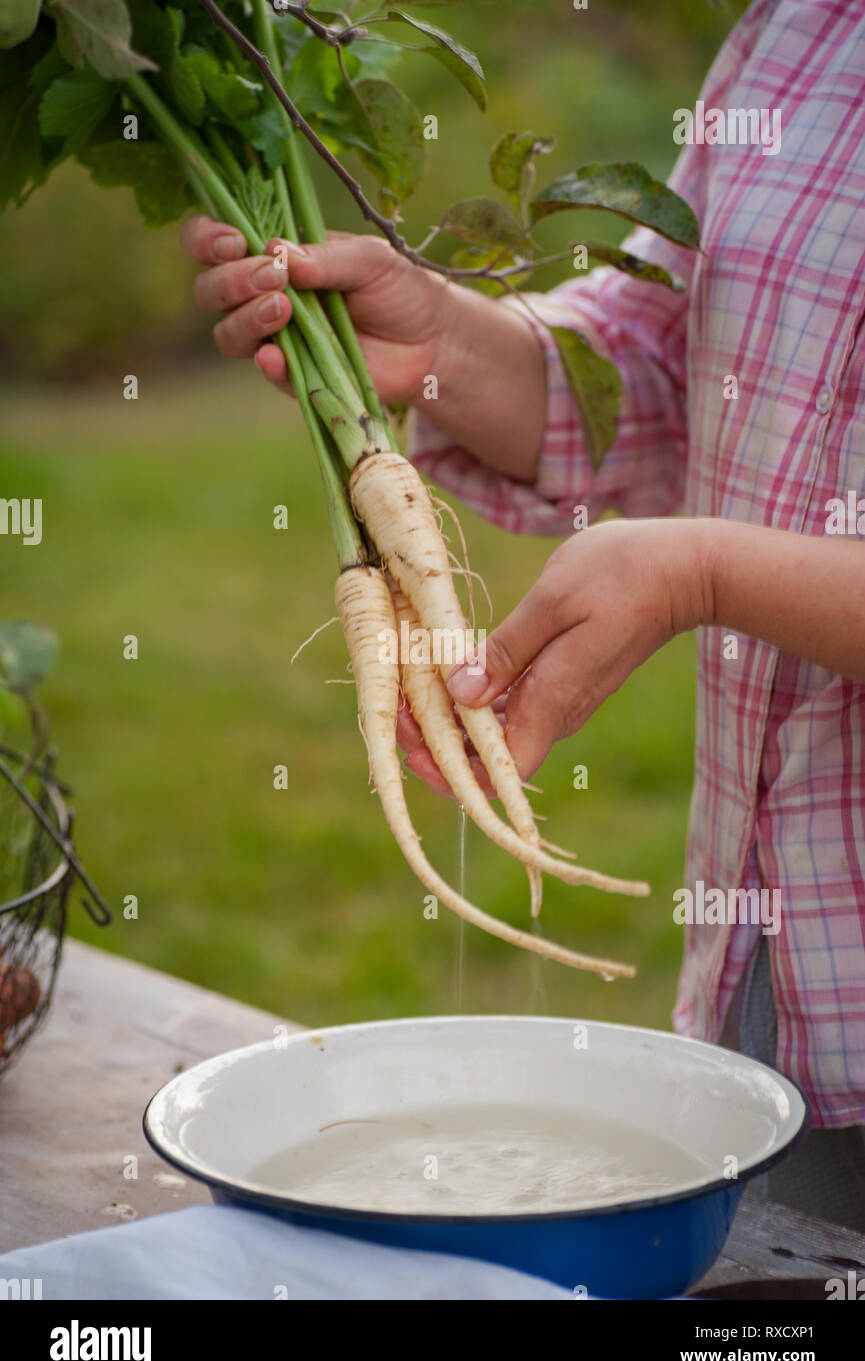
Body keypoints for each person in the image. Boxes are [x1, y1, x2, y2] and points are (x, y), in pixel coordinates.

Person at [181, 0, 865, 1231]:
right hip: (785, 983)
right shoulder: (804, 25)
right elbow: (665, 369)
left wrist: (706, 574)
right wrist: (445, 341)